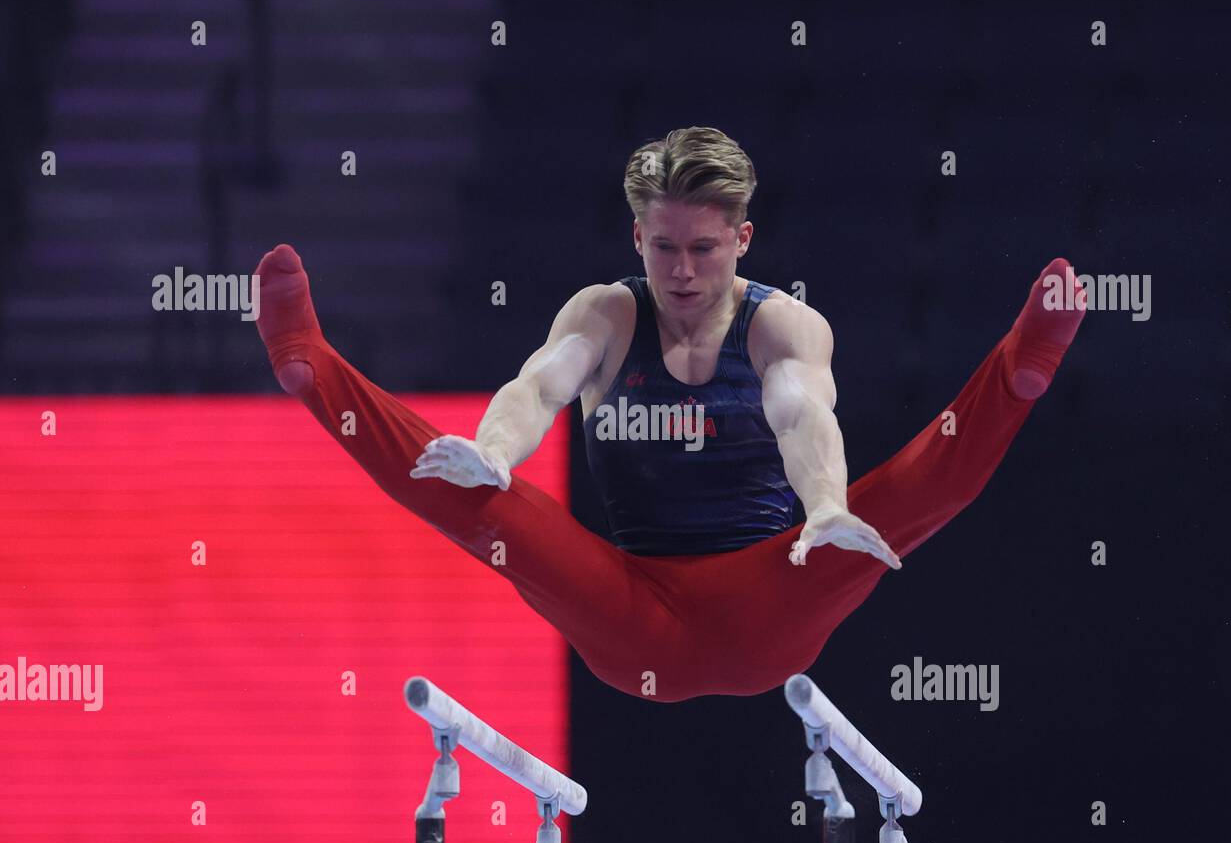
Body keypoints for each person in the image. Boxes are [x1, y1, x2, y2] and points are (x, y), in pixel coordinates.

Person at [252, 127, 1086, 703]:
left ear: (744, 239)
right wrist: (498, 450)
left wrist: (827, 504)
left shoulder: (783, 324)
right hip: (629, 610)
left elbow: (801, 415)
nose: (681, 271)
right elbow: (541, 382)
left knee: (901, 493)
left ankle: (1016, 371)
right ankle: (312, 366)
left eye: (703, 248)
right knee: (468, 482)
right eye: (663, 247)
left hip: (769, 594)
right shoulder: (607, 315)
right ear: (637, 238)